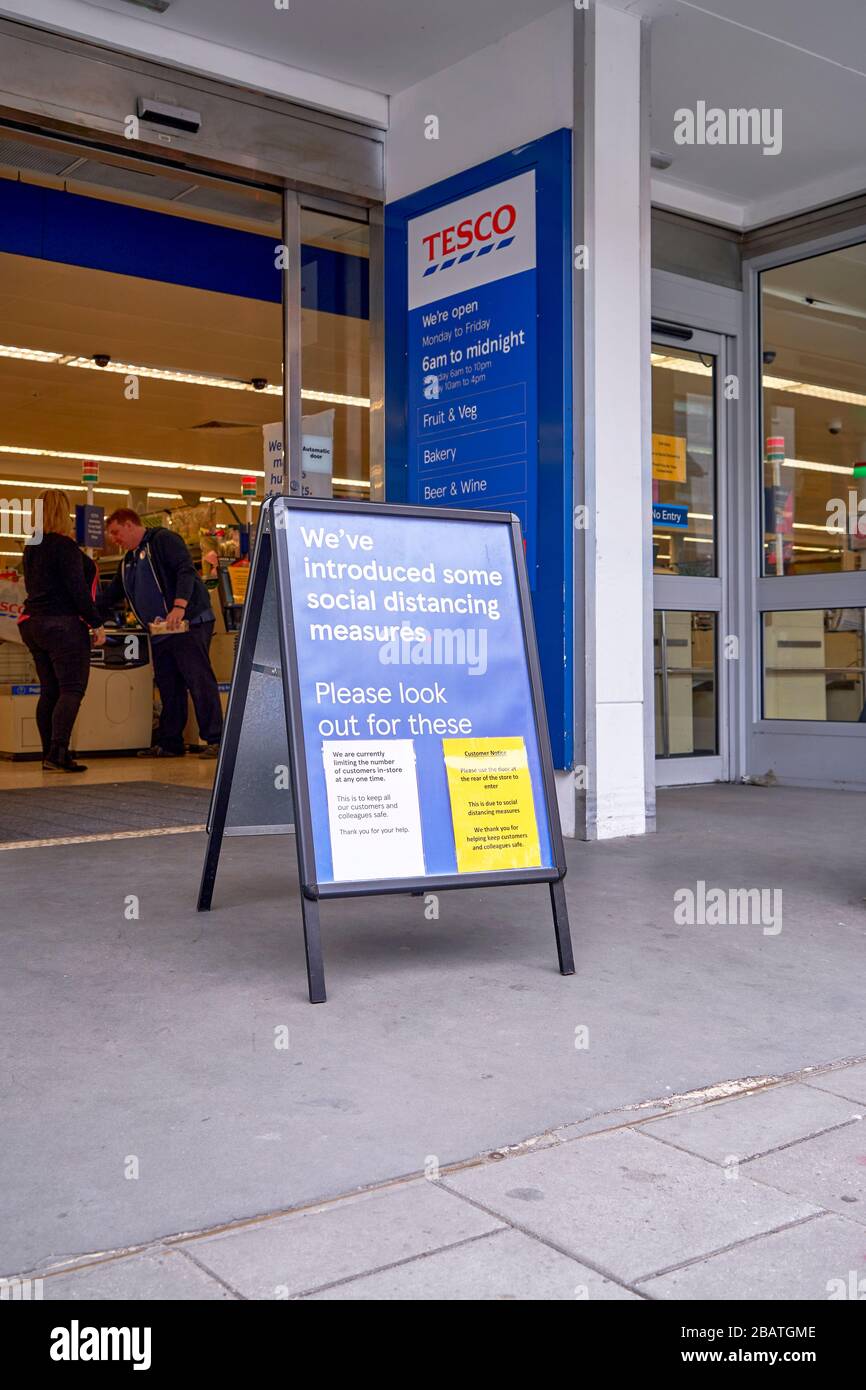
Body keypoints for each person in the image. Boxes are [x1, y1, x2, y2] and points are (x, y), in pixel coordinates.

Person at [103, 508, 223, 758]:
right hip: (160, 631)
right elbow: (112, 595)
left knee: (198, 680)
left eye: (115, 532)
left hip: (188, 622)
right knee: (169, 686)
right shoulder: (128, 562)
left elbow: (185, 570)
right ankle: (170, 742)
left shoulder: (163, 540)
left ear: (129, 525)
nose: (114, 539)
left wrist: (180, 606)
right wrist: (88, 615)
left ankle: (217, 739)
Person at [19, 488, 106, 773]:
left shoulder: (32, 545)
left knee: (50, 691)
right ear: (63, 512)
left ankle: (49, 755)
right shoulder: (64, 546)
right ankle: (59, 754)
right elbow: (78, 591)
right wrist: (96, 622)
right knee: (71, 689)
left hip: (34, 625)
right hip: (63, 626)